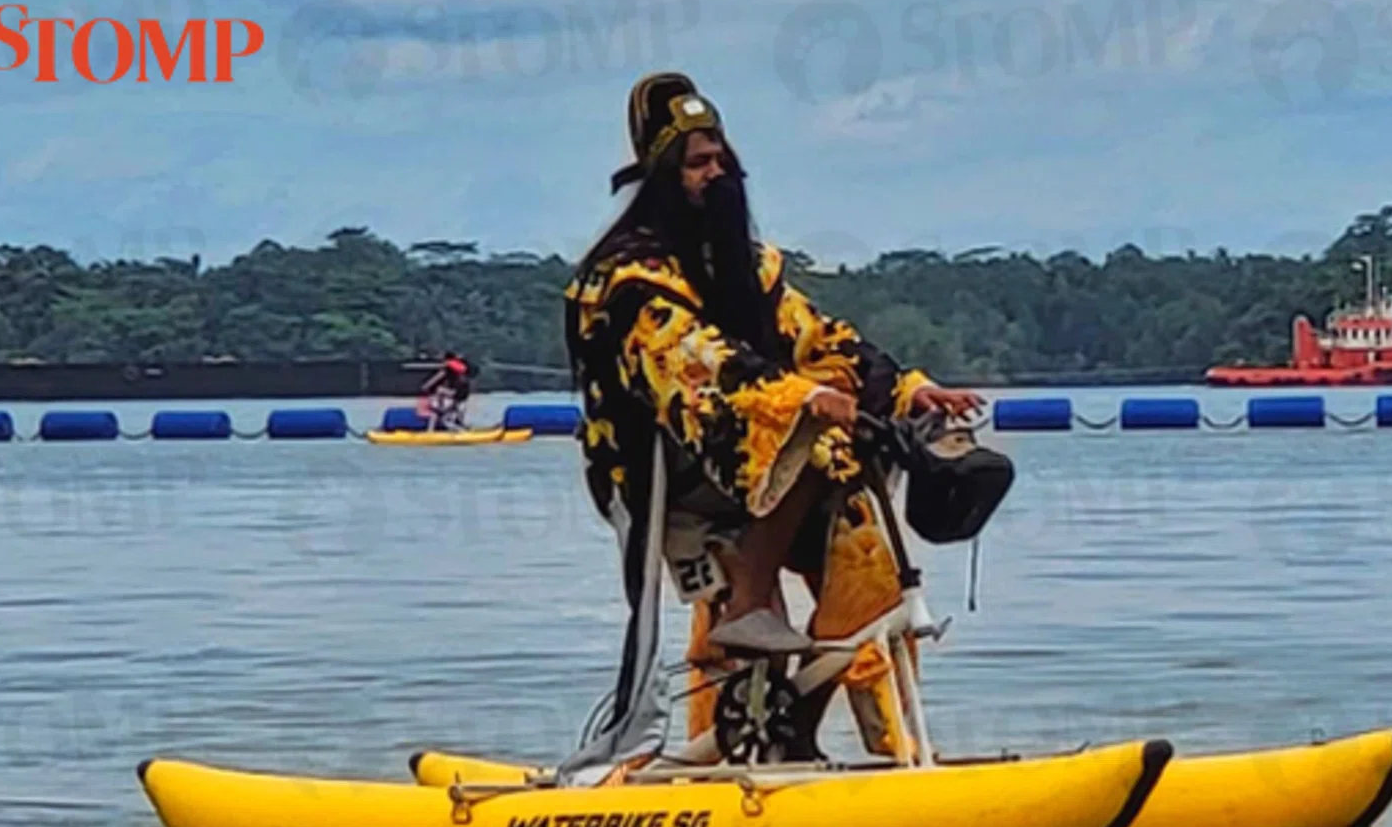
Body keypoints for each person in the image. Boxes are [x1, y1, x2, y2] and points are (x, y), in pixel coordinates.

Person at [557, 72, 984, 784]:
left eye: (721, 160)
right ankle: (749, 602)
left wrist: (912, 390)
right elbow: (694, 365)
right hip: (670, 474)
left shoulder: (749, 268)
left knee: (857, 521)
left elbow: (821, 338)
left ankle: (789, 733)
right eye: (698, 163)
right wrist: (799, 399)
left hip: (758, 469)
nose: (716, 175)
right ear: (664, 175)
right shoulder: (629, 280)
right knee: (807, 438)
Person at [418, 351, 476, 430]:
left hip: (456, 391)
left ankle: (440, 408)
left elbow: (437, 377)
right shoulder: (460, 367)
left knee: (439, 390)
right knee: (455, 406)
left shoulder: (448, 367)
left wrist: (426, 386)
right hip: (464, 392)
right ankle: (460, 423)